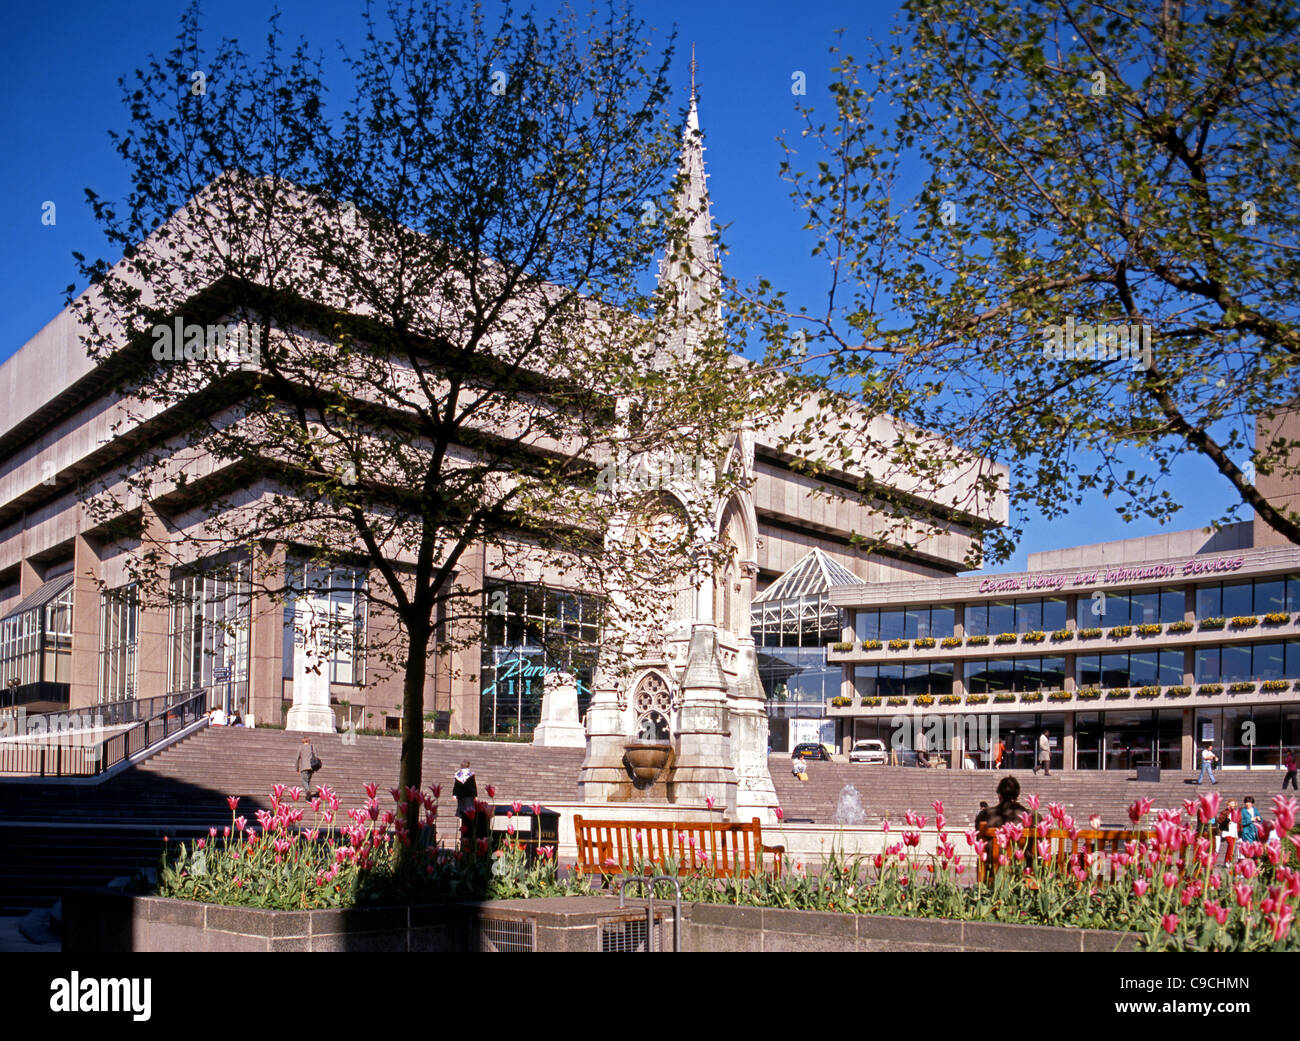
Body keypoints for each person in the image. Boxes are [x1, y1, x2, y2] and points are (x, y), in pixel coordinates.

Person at [454, 760, 479, 841]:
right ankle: (467, 829)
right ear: (468, 766)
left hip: (460, 796)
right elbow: (473, 786)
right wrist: (475, 795)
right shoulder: (470, 775)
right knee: (468, 812)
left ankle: (464, 826)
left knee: (463, 811)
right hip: (469, 796)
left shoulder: (458, 774)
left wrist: (454, 794)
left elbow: (456, 786)